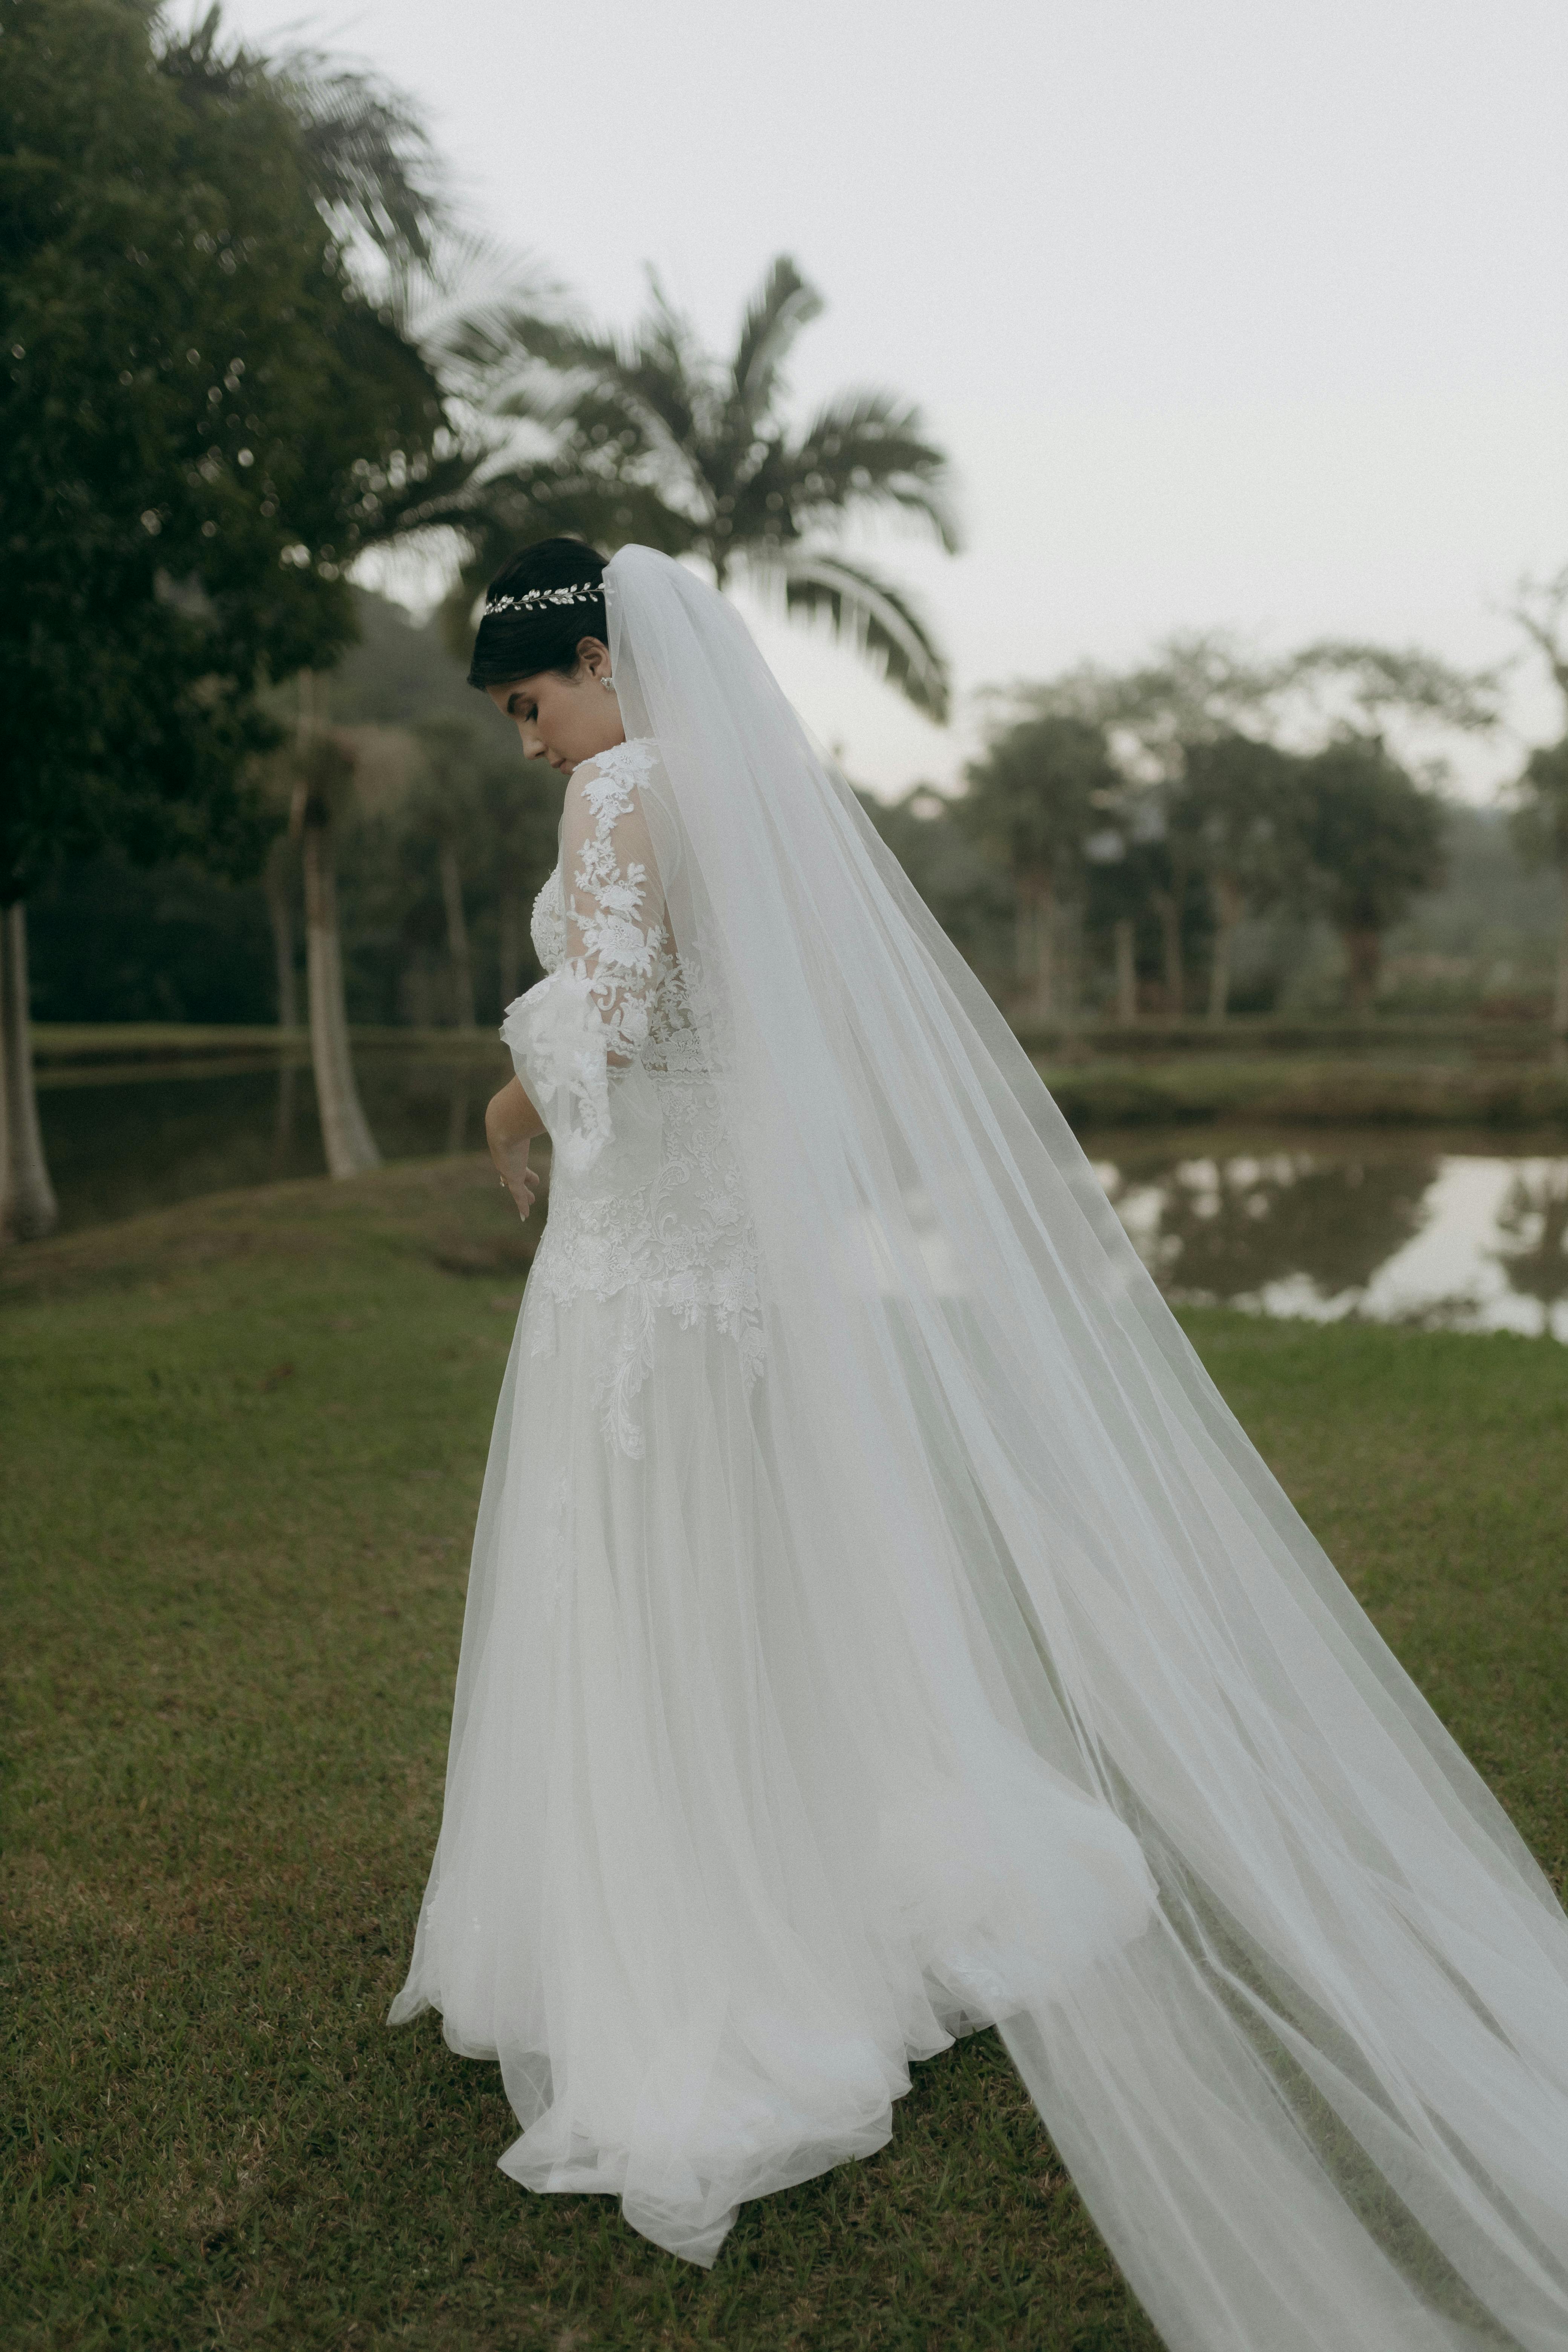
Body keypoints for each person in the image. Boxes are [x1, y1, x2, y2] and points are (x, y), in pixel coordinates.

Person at [390, 538, 1568, 2350]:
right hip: (730, 1278)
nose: (531, 744)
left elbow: (609, 1028)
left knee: (649, 1584)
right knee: (748, 1583)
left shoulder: (624, 794)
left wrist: (499, 1089)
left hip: (645, 1282)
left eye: (529, 703)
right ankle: (793, 1868)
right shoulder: (733, 791)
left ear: (602, 668)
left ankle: (704, 1934)